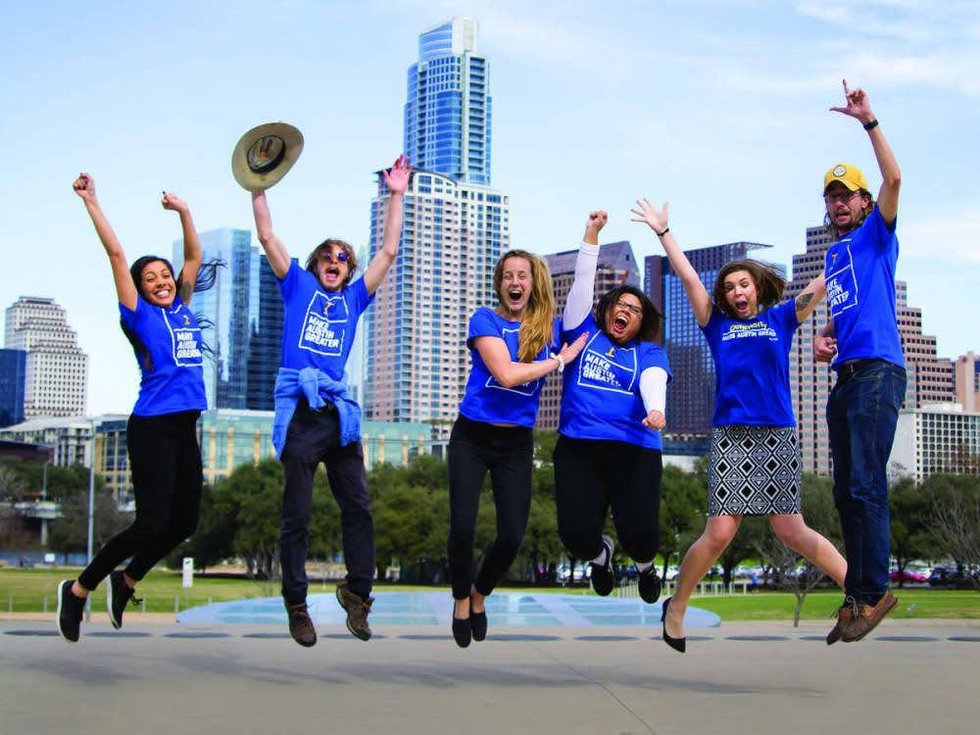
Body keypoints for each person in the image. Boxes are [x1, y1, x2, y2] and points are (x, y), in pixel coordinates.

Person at [632, 198, 847, 653]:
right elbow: (690, 278)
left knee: (791, 530)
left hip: (778, 435)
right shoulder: (715, 324)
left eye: (743, 284)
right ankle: (676, 609)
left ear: (757, 287)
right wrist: (664, 233)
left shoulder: (782, 318)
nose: (736, 292)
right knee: (720, 534)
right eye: (729, 287)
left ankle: (861, 591)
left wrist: (852, 245)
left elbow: (822, 284)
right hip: (732, 438)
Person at [252, 154, 410, 647]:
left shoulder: (355, 298)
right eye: (329, 257)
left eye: (344, 259)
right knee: (297, 513)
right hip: (301, 409)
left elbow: (387, 251)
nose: (337, 263)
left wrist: (397, 194)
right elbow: (267, 237)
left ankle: (357, 595)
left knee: (358, 506)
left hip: (338, 413)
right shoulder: (296, 284)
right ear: (315, 263)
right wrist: (256, 185)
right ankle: (297, 605)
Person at [59, 173, 213, 642]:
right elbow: (116, 255)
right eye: (151, 279)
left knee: (184, 520)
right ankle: (80, 589)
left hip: (185, 425)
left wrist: (184, 211)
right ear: (140, 290)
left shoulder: (182, 307)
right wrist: (92, 201)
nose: (161, 281)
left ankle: (126, 581)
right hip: (152, 428)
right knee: (150, 523)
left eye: (164, 275)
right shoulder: (140, 316)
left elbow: (193, 257)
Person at [447, 250, 586, 647]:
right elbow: (506, 374)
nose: (514, 282)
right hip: (471, 436)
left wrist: (590, 239)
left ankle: (480, 593)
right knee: (463, 526)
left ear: (532, 283)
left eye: (522, 275)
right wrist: (557, 363)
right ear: (500, 283)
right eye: (508, 275)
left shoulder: (548, 328)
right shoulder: (484, 319)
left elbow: (580, 301)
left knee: (511, 535)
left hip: (516, 443)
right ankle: (460, 599)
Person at [814, 81, 906, 644]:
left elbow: (895, 179)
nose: (839, 202)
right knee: (846, 488)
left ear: (865, 203)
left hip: (877, 372)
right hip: (846, 376)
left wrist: (869, 122)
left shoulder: (876, 236)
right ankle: (855, 593)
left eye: (847, 194)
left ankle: (873, 591)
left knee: (867, 482)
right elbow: (847, 310)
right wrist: (826, 335)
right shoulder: (834, 255)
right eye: (832, 195)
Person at [553, 211, 671, 607]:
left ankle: (644, 566)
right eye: (620, 306)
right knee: (576, 535)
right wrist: (591, 234)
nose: (626, 312)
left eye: (635, 310)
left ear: (643, 322)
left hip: (634, 447)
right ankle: (601, 556)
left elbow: (653, 377)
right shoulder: (581, 332)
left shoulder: (649, 351)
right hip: (579, 447)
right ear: (606, 312)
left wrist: (656, 410)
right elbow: (582, 284)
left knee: (640, 536)